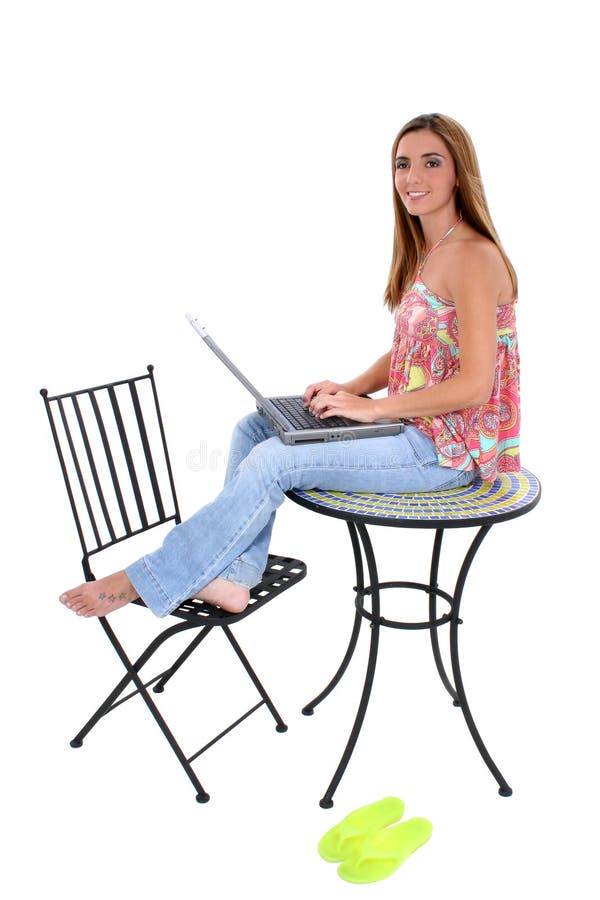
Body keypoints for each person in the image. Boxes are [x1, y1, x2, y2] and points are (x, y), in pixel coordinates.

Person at [60, 113, 520, 620]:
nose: (413, 177)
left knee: (273, 460)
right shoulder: (431, 251)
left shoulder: (473, 255)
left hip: (445, 454)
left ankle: (144, 578)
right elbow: (418, 351)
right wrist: (351, 388)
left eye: (431, 163)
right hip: (411, 428)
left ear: (459, 172)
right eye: (402, 164)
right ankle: (235, 578)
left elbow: (476, 384)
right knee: (256, 428)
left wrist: (371, 410)